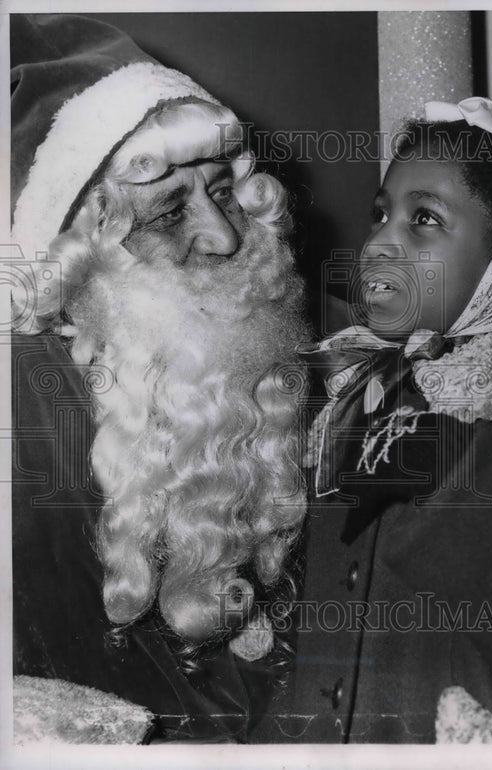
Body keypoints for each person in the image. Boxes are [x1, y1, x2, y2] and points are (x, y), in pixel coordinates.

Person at [255, 98, 492, 744]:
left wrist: (446, 464)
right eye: (380, 214)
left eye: (425, 219)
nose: (382, 240)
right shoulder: (353, 403)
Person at [10, 14, 309, 742]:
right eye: (172, 211)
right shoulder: (22, 415)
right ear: (85, 250)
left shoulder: (281, 355)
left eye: (223, 193)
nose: (226, 236)